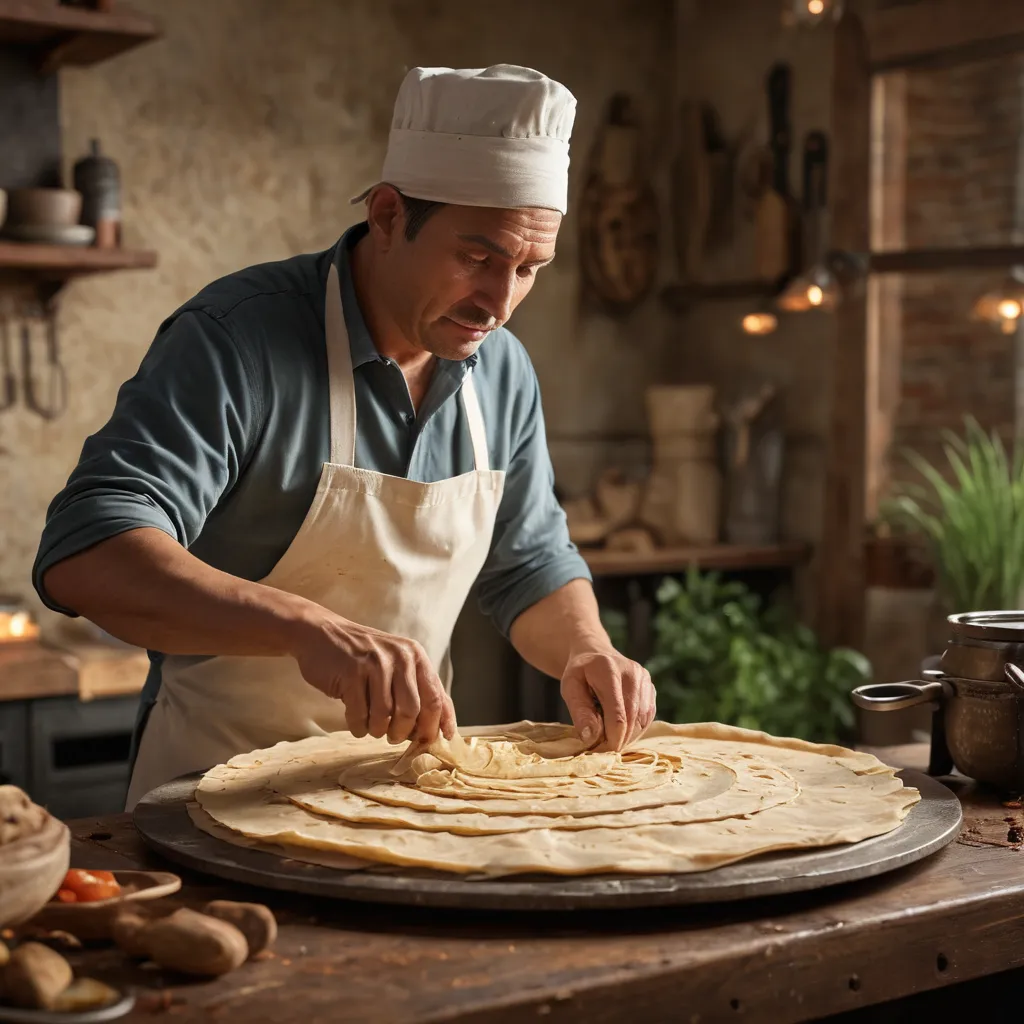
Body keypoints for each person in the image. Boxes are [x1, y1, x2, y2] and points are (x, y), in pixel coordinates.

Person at [32, 64, 656, 810]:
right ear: (389, 215)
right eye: (478, 258)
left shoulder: (504, 373)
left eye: (529, 269)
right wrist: (306, 628)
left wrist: (586, 647)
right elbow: (86, 552)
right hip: (211, 801)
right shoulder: (239, 341)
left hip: (408, 805)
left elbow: (530, 564)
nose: (500, 302)